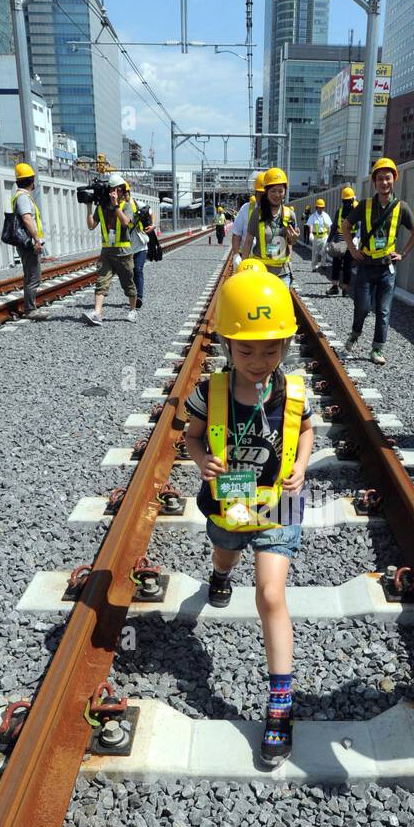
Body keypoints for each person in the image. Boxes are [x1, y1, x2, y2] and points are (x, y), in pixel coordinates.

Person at [184, 262, 315, 768]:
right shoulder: (212, 391)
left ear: (285, 344)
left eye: (271, 348)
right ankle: (218, 576)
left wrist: (301, 467)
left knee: (270, 593)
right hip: (231, 501)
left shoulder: (293, 392)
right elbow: (192, 435)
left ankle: (279, 706)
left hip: (277, 503)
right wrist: (202, 460)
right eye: (246, 349)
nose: (259, 360)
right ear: (226, 345)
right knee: (225, 552)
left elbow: (305, 431)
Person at [341, 157, 414, 367]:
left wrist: (402, 253)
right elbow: (345, 225)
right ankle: (355, 333)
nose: (384, 183)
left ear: (393, 180)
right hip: (366, 266)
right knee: (362, 306)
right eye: (380, 179)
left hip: (387, 268)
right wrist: (352, 249)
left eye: (388, 178)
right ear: (374, 182)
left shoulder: (401, 207)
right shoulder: (365, 206)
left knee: (383, 311)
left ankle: (377, 348)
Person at [83, 173, 137, 327]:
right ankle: (97, 313)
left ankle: (133, 310)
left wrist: (116, 206)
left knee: (128, 283)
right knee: (101, 281)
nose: (118, 193)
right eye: (115, 190)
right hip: (107, 252)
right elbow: (91, 225)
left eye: (120, 190)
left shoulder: (127, 205)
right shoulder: (101, 207)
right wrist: (88, 207)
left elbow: (126, 223)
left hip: (123, 253)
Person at [241, 166, 299, 287]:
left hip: (283, 273)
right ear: (266, 192)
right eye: (273, 191)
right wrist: (243, 269)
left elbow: (291, 243)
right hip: (260, 273)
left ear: (285, 192)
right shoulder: (257, 213)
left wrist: (293, 238)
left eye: (280, 191)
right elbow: (248, 242)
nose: (277, 194)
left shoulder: (290, 214)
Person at [11, 162, 44, 319]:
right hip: (28, 243)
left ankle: (30, 307)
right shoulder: (23, 197)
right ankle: (30, 310)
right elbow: (27, 218)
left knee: (30, 275)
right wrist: (37, 239)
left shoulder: (20, 196)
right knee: (33, 276)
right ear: (32, 180)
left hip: (25, 242)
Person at [326, 186, 357, 297]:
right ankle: (340, 288)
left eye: (347, 201)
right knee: (340, 265)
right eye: (345, 201)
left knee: (343, 265)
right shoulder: (342, 212)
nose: (347, 203)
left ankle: (342, 288)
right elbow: (334, 227)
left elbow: (360, 227)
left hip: (348, 241)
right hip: (343, 241)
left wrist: (357, 239)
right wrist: (328, 241)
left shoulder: (353, 211)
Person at [231, 172, 265, 263]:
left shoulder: (277, 211)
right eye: (260, 194)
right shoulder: (246, 208)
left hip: (267, 262)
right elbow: (236, 234)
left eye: (265, 195)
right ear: (255, 193)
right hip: (248, 260)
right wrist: (236, 254)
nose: (262, 198)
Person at [129, 192, 154, 310]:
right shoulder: (118, 207)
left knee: (138, 269)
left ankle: (139, 297)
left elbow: (151, 211)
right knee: (130, 273)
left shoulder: (138, 204)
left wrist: (152, 225)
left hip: (141, 244)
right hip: (126, 246)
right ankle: (133, 296)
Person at [307, 197, 332, 272]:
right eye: (319, 207)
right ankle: (314, 267)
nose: (321, 209)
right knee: (315, 252)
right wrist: (311, 233)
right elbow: (311, 224)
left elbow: (329, 226)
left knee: (324, 251)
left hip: (324, 236)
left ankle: (323, 264)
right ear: (316, 207)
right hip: (316, 237)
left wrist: (330, 237)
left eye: (322, 207)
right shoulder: (313, 216)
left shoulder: (326, 216)